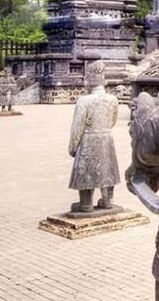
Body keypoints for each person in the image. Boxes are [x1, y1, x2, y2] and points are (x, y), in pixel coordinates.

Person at [68, 60, 120, 212]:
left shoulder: (84, 101)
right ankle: (107, 200)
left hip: (88, 139)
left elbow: (77, 127)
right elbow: (113, 120)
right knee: (107, 169)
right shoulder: (113, 99)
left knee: (86, 171)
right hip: (106, 138)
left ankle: (86, 203)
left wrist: (73, 147)